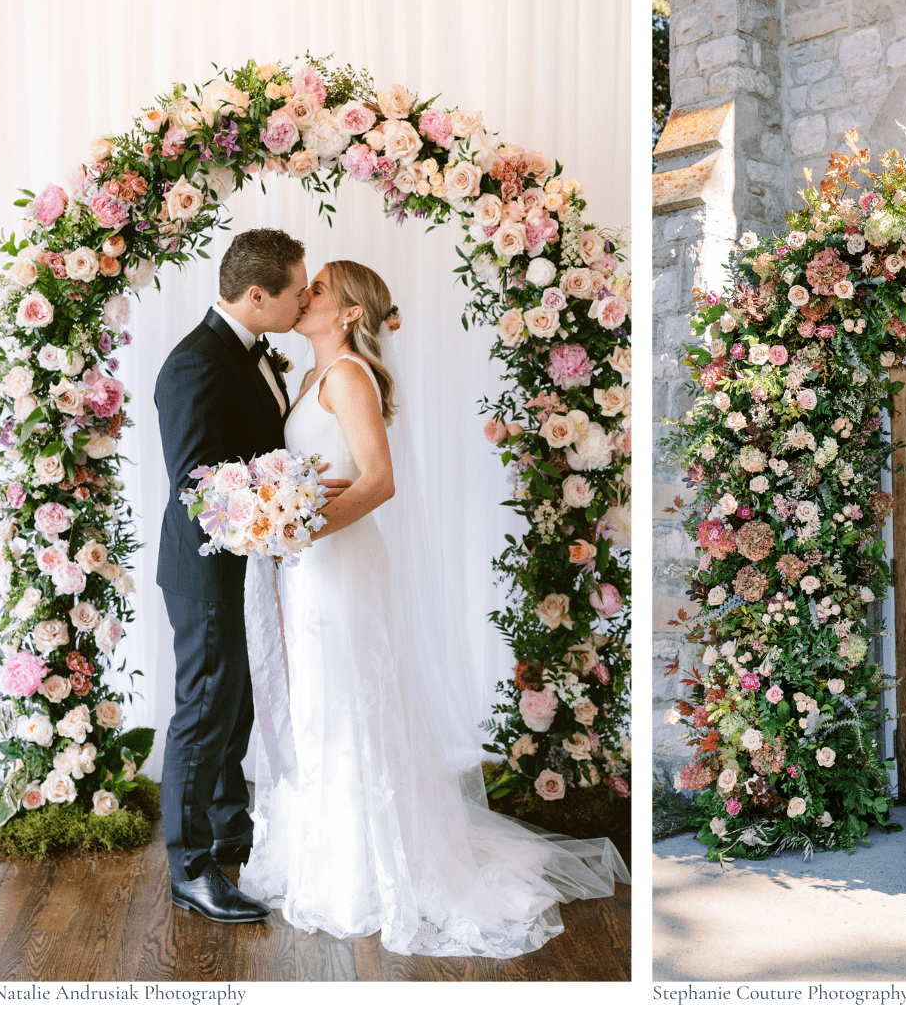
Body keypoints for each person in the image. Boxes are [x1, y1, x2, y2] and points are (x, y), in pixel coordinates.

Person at [237, 259, 630, 957]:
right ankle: (326, 853)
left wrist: (299, 528)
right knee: (318, 705)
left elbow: (378, 481)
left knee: (350, 701)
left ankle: (367, 868)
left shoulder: (350, 377)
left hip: (339, 566)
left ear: (348, 313)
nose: (305, 297)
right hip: (309, 568)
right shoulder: (309, 378)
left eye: (319, 289)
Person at [153, 228, 343, 923]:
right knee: (203, 711)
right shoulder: (194, 364)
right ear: (258, 295)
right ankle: (190, 868)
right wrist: (278, 500)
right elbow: (197, 483)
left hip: (251, 563)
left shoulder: (257, 353)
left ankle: (232, 829)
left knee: (235, 705)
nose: (304, 301)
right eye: (297, 291)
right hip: (206, 567)